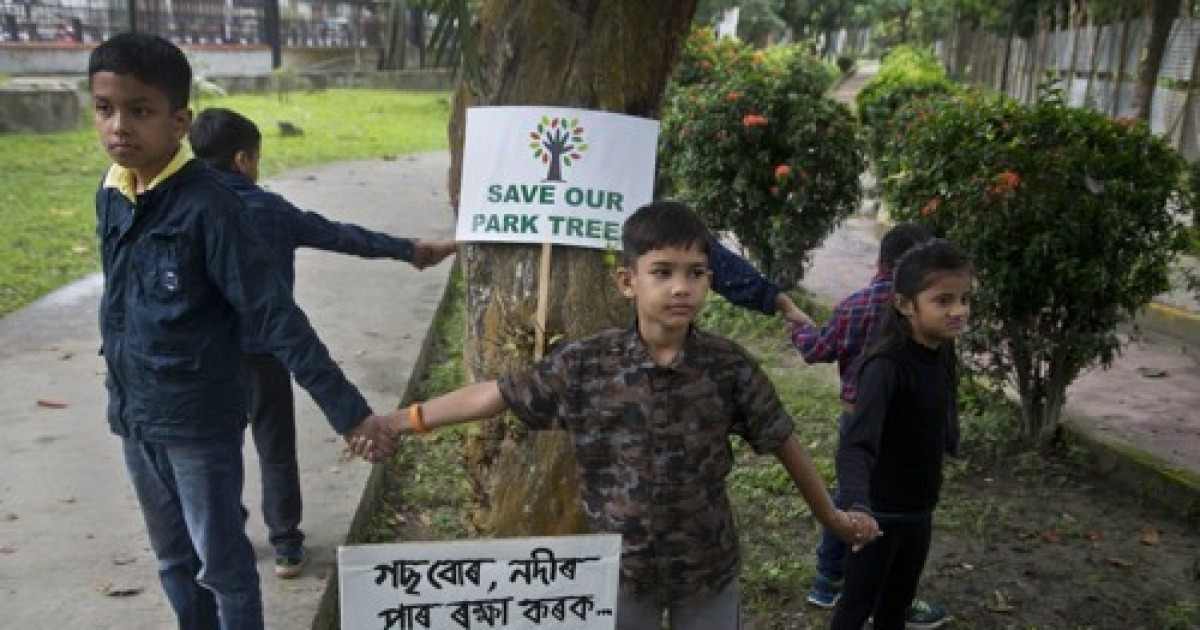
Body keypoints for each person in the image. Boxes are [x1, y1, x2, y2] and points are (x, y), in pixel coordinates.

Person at [352, 200, 881, 630]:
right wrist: (400, 420)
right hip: (620, 573)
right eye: (663, 272)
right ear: (629, 282)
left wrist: (832, 519)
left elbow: (784, 441)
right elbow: (496, 394)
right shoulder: (587, 364)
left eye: (696, 273)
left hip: (709, 570)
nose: (681, 287)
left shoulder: (729, 367)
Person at [89, 33, 395, 629]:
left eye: (140, 110)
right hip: (133, 415)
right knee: (174, 559)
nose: (119, 127)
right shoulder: (113, 193)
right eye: (105, 109)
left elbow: (274, 315)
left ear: (180, 121)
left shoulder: (212, 208)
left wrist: (350, 413)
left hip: (198, 421)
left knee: (222, 565)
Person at [186, 106, 457, 579]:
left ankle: (226, 535)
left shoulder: (181, 208)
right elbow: (339, 235)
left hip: (208, 358)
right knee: (274, 446)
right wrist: (411, 250)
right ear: (244, 158)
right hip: (267, 350)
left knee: (219, 446)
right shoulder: (268, 209)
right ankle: (286, 543)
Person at [789, 223, 950, 628]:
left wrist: (798, 324)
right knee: (864, 504)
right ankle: (873, 592)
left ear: (880, 261)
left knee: (849, 499)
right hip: (903, 428)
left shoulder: (854, 307)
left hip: (856, 414)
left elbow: (815, 350)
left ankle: (827, 581)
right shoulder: (919, 321)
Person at [830, 239, 972, 630]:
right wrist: (858, 507)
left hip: (919, 511)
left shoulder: (941, 350)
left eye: (964, 299)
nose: (958, 311)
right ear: (906, 305)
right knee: (855, 609)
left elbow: (943, 403)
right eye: (943, 301)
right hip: (878, 517)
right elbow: (855, 445)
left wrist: (949, 439)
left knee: (896, 607)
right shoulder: (885, 368)